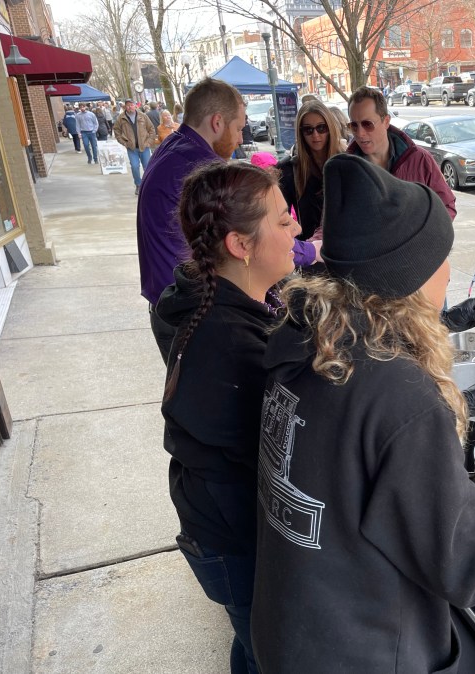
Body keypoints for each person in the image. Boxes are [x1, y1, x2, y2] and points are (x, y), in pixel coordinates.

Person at [249, 153, 475, 672]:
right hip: (361, 651)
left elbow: (354, 445)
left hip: (289, 629)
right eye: (442, 257)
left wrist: (469, 399)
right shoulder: (402, 398)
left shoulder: (303, 337)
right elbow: (473, 569)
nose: (449, 271)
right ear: (409, 278)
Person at [157, 161, 300, 674]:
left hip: (216, 526)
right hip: (229, 543)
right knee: (269, 649)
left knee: (250, 639)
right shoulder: (230, 343)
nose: (297, 230)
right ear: (241, 245)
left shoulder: (224, 302)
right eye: (283, 222)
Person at [137, 78, 248, 364]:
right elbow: (241, 235)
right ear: (217, 122)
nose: (240, 139)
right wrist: (307, 251)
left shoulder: (174, 145)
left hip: (169, 302)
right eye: (238, 128)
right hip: (187, 312)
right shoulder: (200, 166)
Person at [346, 85, 456, 220]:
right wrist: (316, 241)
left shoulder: (420, 160)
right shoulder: (346, 169)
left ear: (386, 121)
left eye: (367, 124)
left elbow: (446, 206)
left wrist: (424, 237)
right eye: (353, 126)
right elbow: (331, 222)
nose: (360, 133)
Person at [277, 99, 345, 240]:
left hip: (347, 250)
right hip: (311, 252)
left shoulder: (347, 163)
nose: (315, 135)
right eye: (308, 129)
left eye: (321, 128)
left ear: (330, 128)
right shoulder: (289, 170)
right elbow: (278, 219)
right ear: (300, 133)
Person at [114, 99, 157, 195]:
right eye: (128, 105)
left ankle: (148, 185)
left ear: (135, 106)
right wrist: (124, 142)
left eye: (131, 105)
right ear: (125, 107)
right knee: (134, 166)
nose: (130, 107)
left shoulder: (143, 116)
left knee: (147, 167)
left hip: (144, 147)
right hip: (132, 148)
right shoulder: (121, 118)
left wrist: (149, 142)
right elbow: (116, 131)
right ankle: (138, 184)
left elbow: (151, 129)